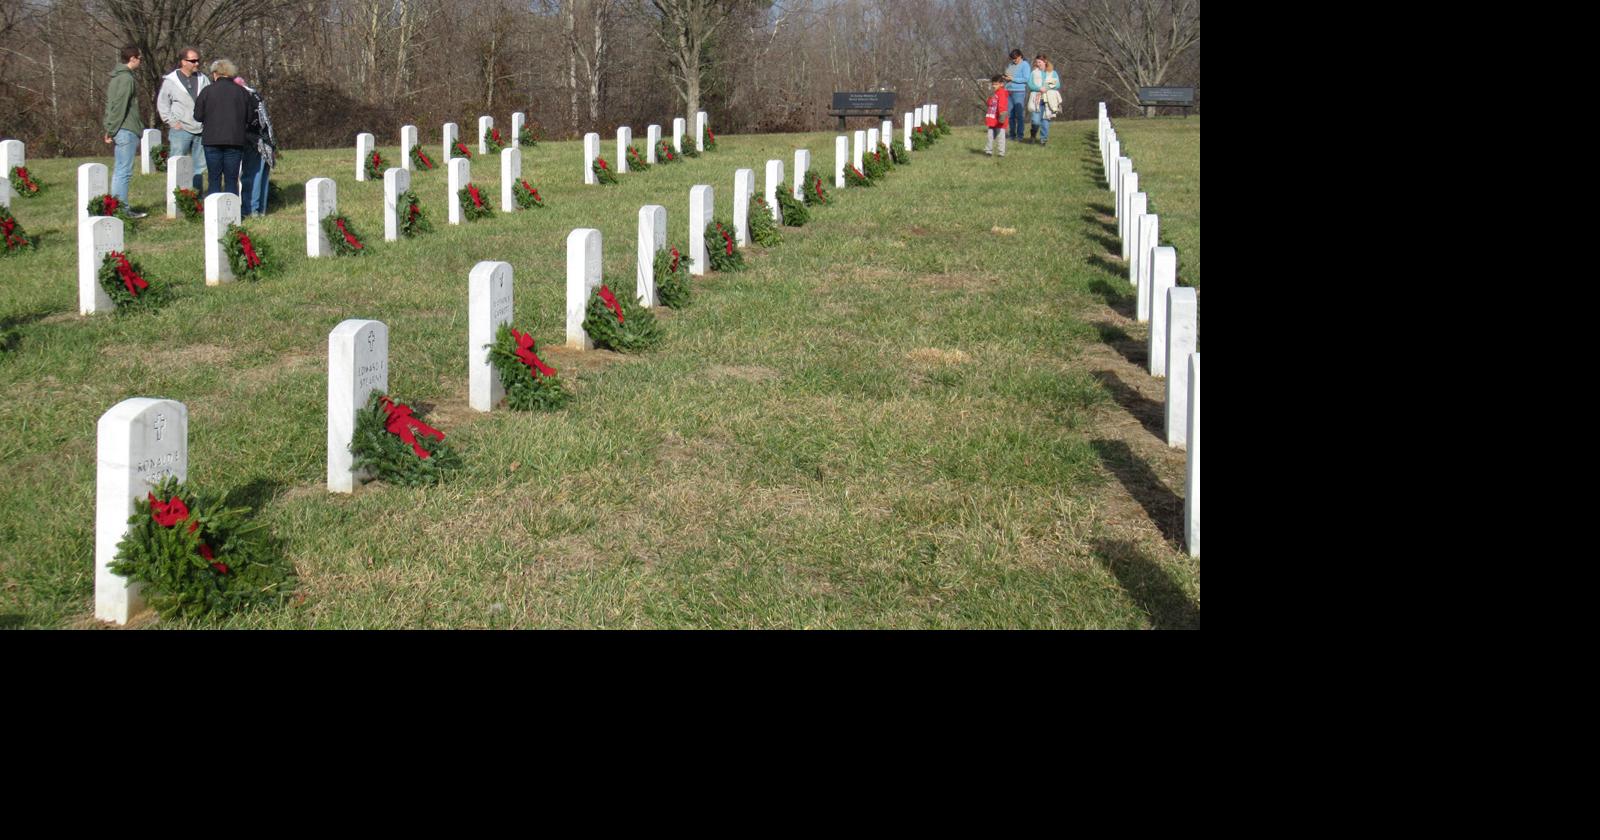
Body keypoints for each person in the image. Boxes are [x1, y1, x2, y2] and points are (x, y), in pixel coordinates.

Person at [101, 44, 148, 217]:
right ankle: (122, 209)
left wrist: (109, 127)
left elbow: (111, 105)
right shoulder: (126, 79)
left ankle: (117, 207)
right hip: (126, 129)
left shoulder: (117, 77)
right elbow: (119, 106)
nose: (140, 61)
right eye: (139, 58)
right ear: (132, 58)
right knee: (124, 172)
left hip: (119, 128)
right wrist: (111, 128)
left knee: (120, 170)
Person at [191, 58, 250, 197]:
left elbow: (198, 116)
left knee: (214, 178)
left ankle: (214, 206)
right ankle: (231, 207)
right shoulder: (241, 92)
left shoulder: (207, 91)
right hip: (234, 140)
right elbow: (250, 117)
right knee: (231, 179)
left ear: (215, 73)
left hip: (212, 140)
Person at [157, 46, 209, 192]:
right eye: (193, 61)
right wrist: (172, 122)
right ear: (183, 62)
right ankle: (175, 196)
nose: (196, 63)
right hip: (180, 130)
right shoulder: (171, 81)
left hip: (201, 129)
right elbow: (163, 104)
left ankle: (196, 196)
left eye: (198, 60)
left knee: (200, 167)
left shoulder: (203, 79)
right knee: (177, 163)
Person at [233, 75, 277, 216]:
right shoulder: (255, 95)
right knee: (261, 176)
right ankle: (260, 210)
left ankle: (250, 210)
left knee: (251, 176)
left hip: (253, 140)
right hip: (266, 140)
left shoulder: (243, 97)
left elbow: (248, 121)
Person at [1030, 55, 1061, 146]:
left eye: (1039, 62)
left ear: (1045, 62)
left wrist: (1046, 88)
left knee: (1046, 121)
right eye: (1037, 62)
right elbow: (1030, 84)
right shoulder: (1034, 73)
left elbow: (1057, 85)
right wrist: (1039, 88)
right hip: (1037, 100)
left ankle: (1043, 140)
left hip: (1048, 101)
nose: (1038, 64)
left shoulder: (1052, 73)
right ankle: (1033, 133)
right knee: (1035, 121)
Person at [1005, 49, 1029, 143]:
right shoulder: (1011, 65)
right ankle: (1012, 135)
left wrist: (1013, 79)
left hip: (1018, 91)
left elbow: (1026, 79)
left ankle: (1020, 136)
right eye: (1012, 59)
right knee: (1010, 115)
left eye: (1015, 58)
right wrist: (1005, 77)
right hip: (1008, 91)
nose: (1014, 60)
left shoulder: (1025, 65)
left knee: (1019, 115)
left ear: (1020, 56)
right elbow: (1008, 74)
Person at [984, 74, 1009, 157]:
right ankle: (988, 151)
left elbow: (1002, 105)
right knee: (990, 136)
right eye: (993, 84)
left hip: (999, 119)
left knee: (1000, 137)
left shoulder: (1002, 93)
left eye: (996, 84)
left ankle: (1001, 153)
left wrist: (1002, 114)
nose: (994, 86)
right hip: (992, 119)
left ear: (1001, 84)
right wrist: (989, 98)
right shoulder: (994, 93)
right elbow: (989, 104)